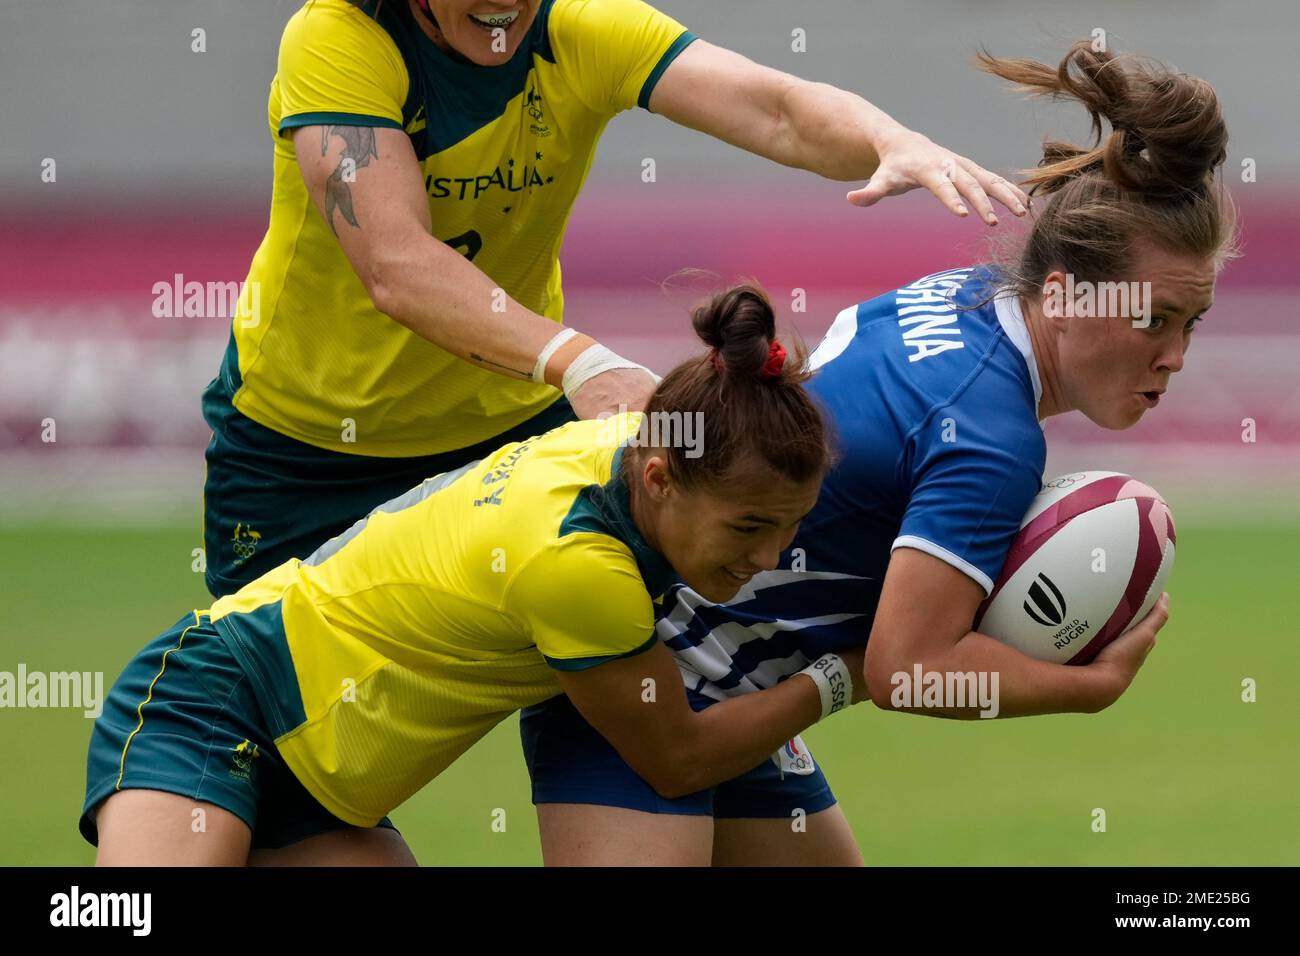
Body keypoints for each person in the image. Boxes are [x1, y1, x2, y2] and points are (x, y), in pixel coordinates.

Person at [521, 39, 1239, 866]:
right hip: (645, 669)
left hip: (739, 682)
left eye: (1193, 322)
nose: (1175, 355)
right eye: (1153, 317)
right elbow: (907, 670)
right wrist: (1089, 688)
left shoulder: (954, 298)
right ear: (1064, 294)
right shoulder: (993, 440)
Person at [201, 0, 1030, 597]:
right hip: (301, 454)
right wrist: (581, 363)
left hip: (511, 434)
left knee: (654, 695)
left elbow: (777, 112)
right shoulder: (338, 36)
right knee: (277, 780)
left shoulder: (584, 27)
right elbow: (397, 262)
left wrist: (889, 137)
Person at [83, 285, 868, 865]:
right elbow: (678, 757)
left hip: (320, 786)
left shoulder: (638, 440)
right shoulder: (579, 565)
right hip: (217, 704)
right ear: (659, 479)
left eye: (789, 524)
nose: (768, 558)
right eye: (747, 528)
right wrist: (849, 675)